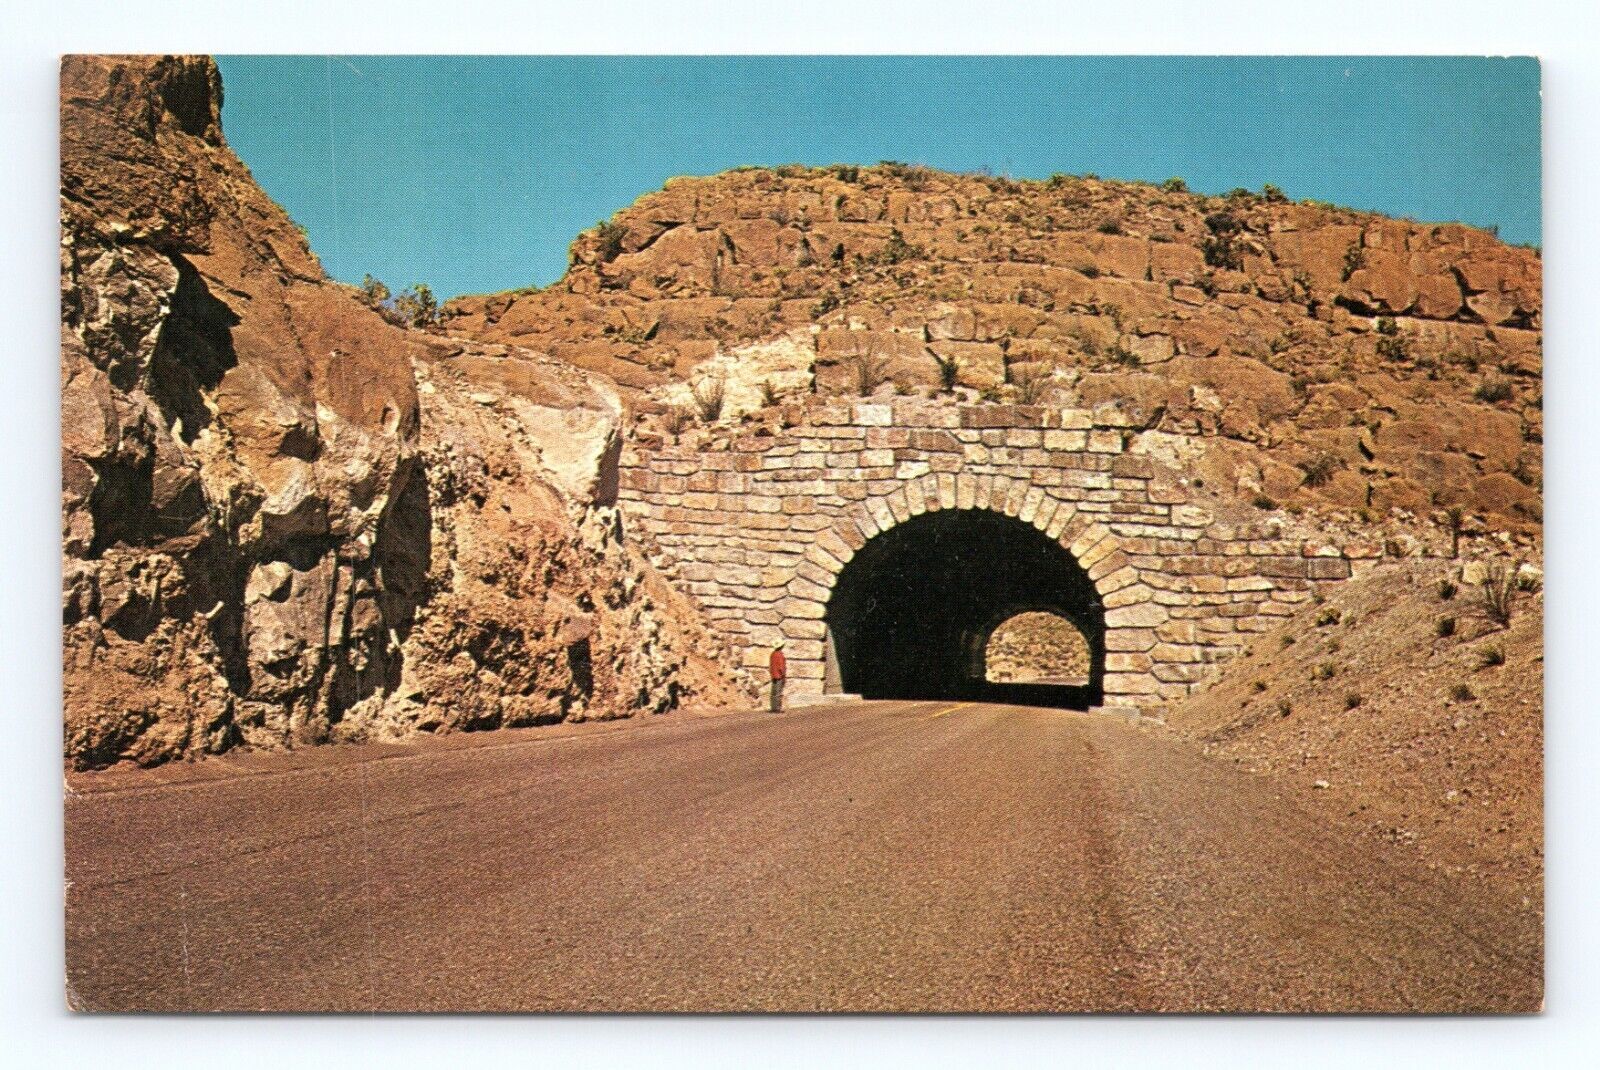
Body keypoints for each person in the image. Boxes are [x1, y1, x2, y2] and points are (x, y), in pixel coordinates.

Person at [768, 644, 787, 713]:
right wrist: (784, 676)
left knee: (773, 692)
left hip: (773, 675)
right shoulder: (780, 655)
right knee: (778, 692)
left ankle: (773, 707)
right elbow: (781, 667)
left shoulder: (773, 654)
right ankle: (777, 708)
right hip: (779, 676)